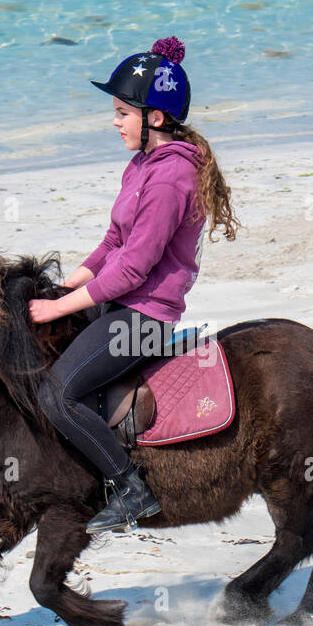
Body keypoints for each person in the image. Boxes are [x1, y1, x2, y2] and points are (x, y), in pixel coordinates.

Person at [29, 36, 241, 533]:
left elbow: (132, 270)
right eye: (116, 112)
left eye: (123, 112)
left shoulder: (171, 180)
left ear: (155, 119)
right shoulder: (141, 166)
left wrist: (56, 311)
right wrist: (65, 288)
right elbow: (112, 244)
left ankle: (131, 489)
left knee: (57, 396)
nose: (115, 121)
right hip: (118, 303)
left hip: (144, 319)